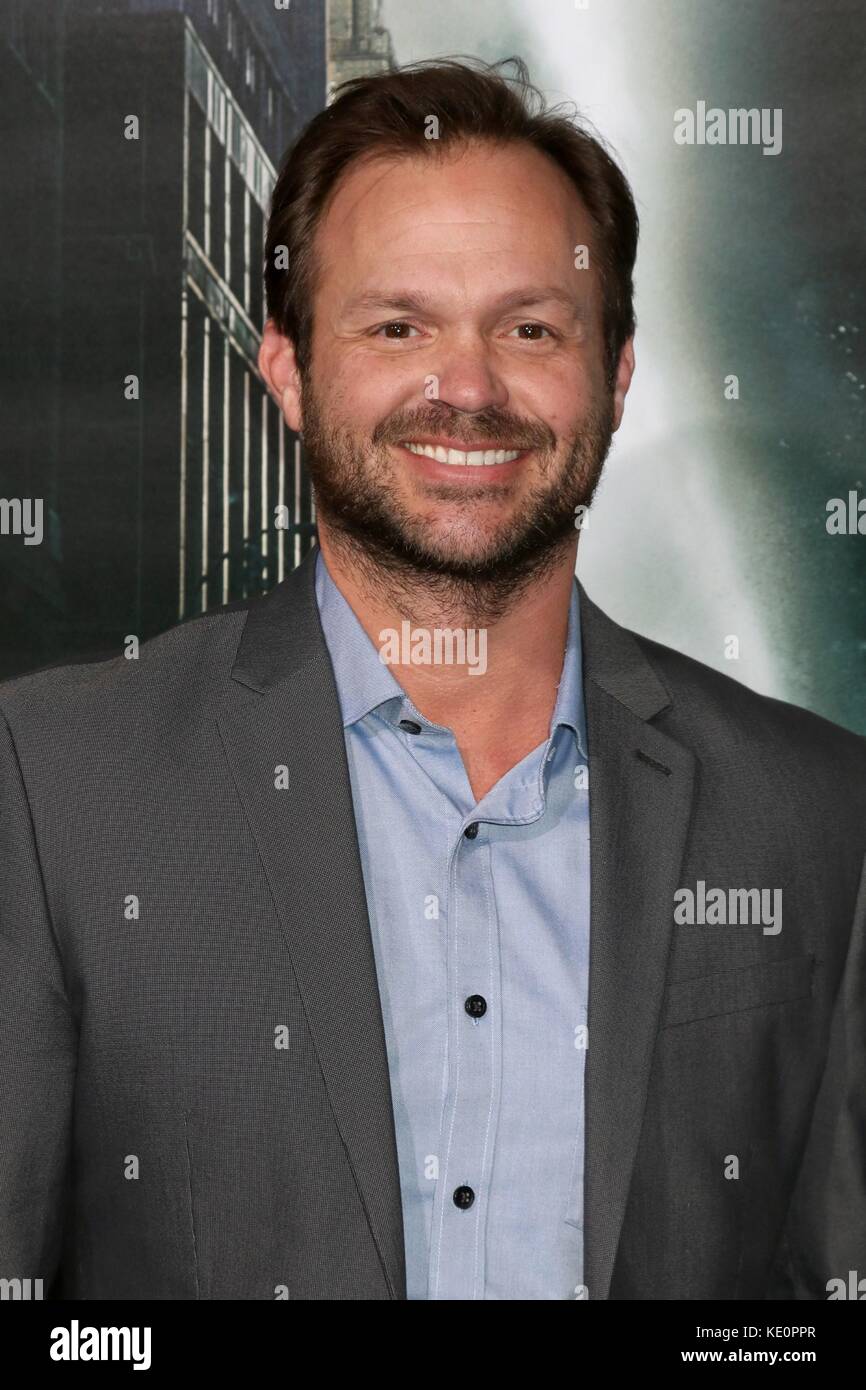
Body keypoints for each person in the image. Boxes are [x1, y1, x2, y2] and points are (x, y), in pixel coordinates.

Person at [1, 57, 864, 1301]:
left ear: (613, 378)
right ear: (289, 370)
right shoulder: (53, 787)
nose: (465, 387)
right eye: (396, 325)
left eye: (528, 327)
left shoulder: (816, 814)